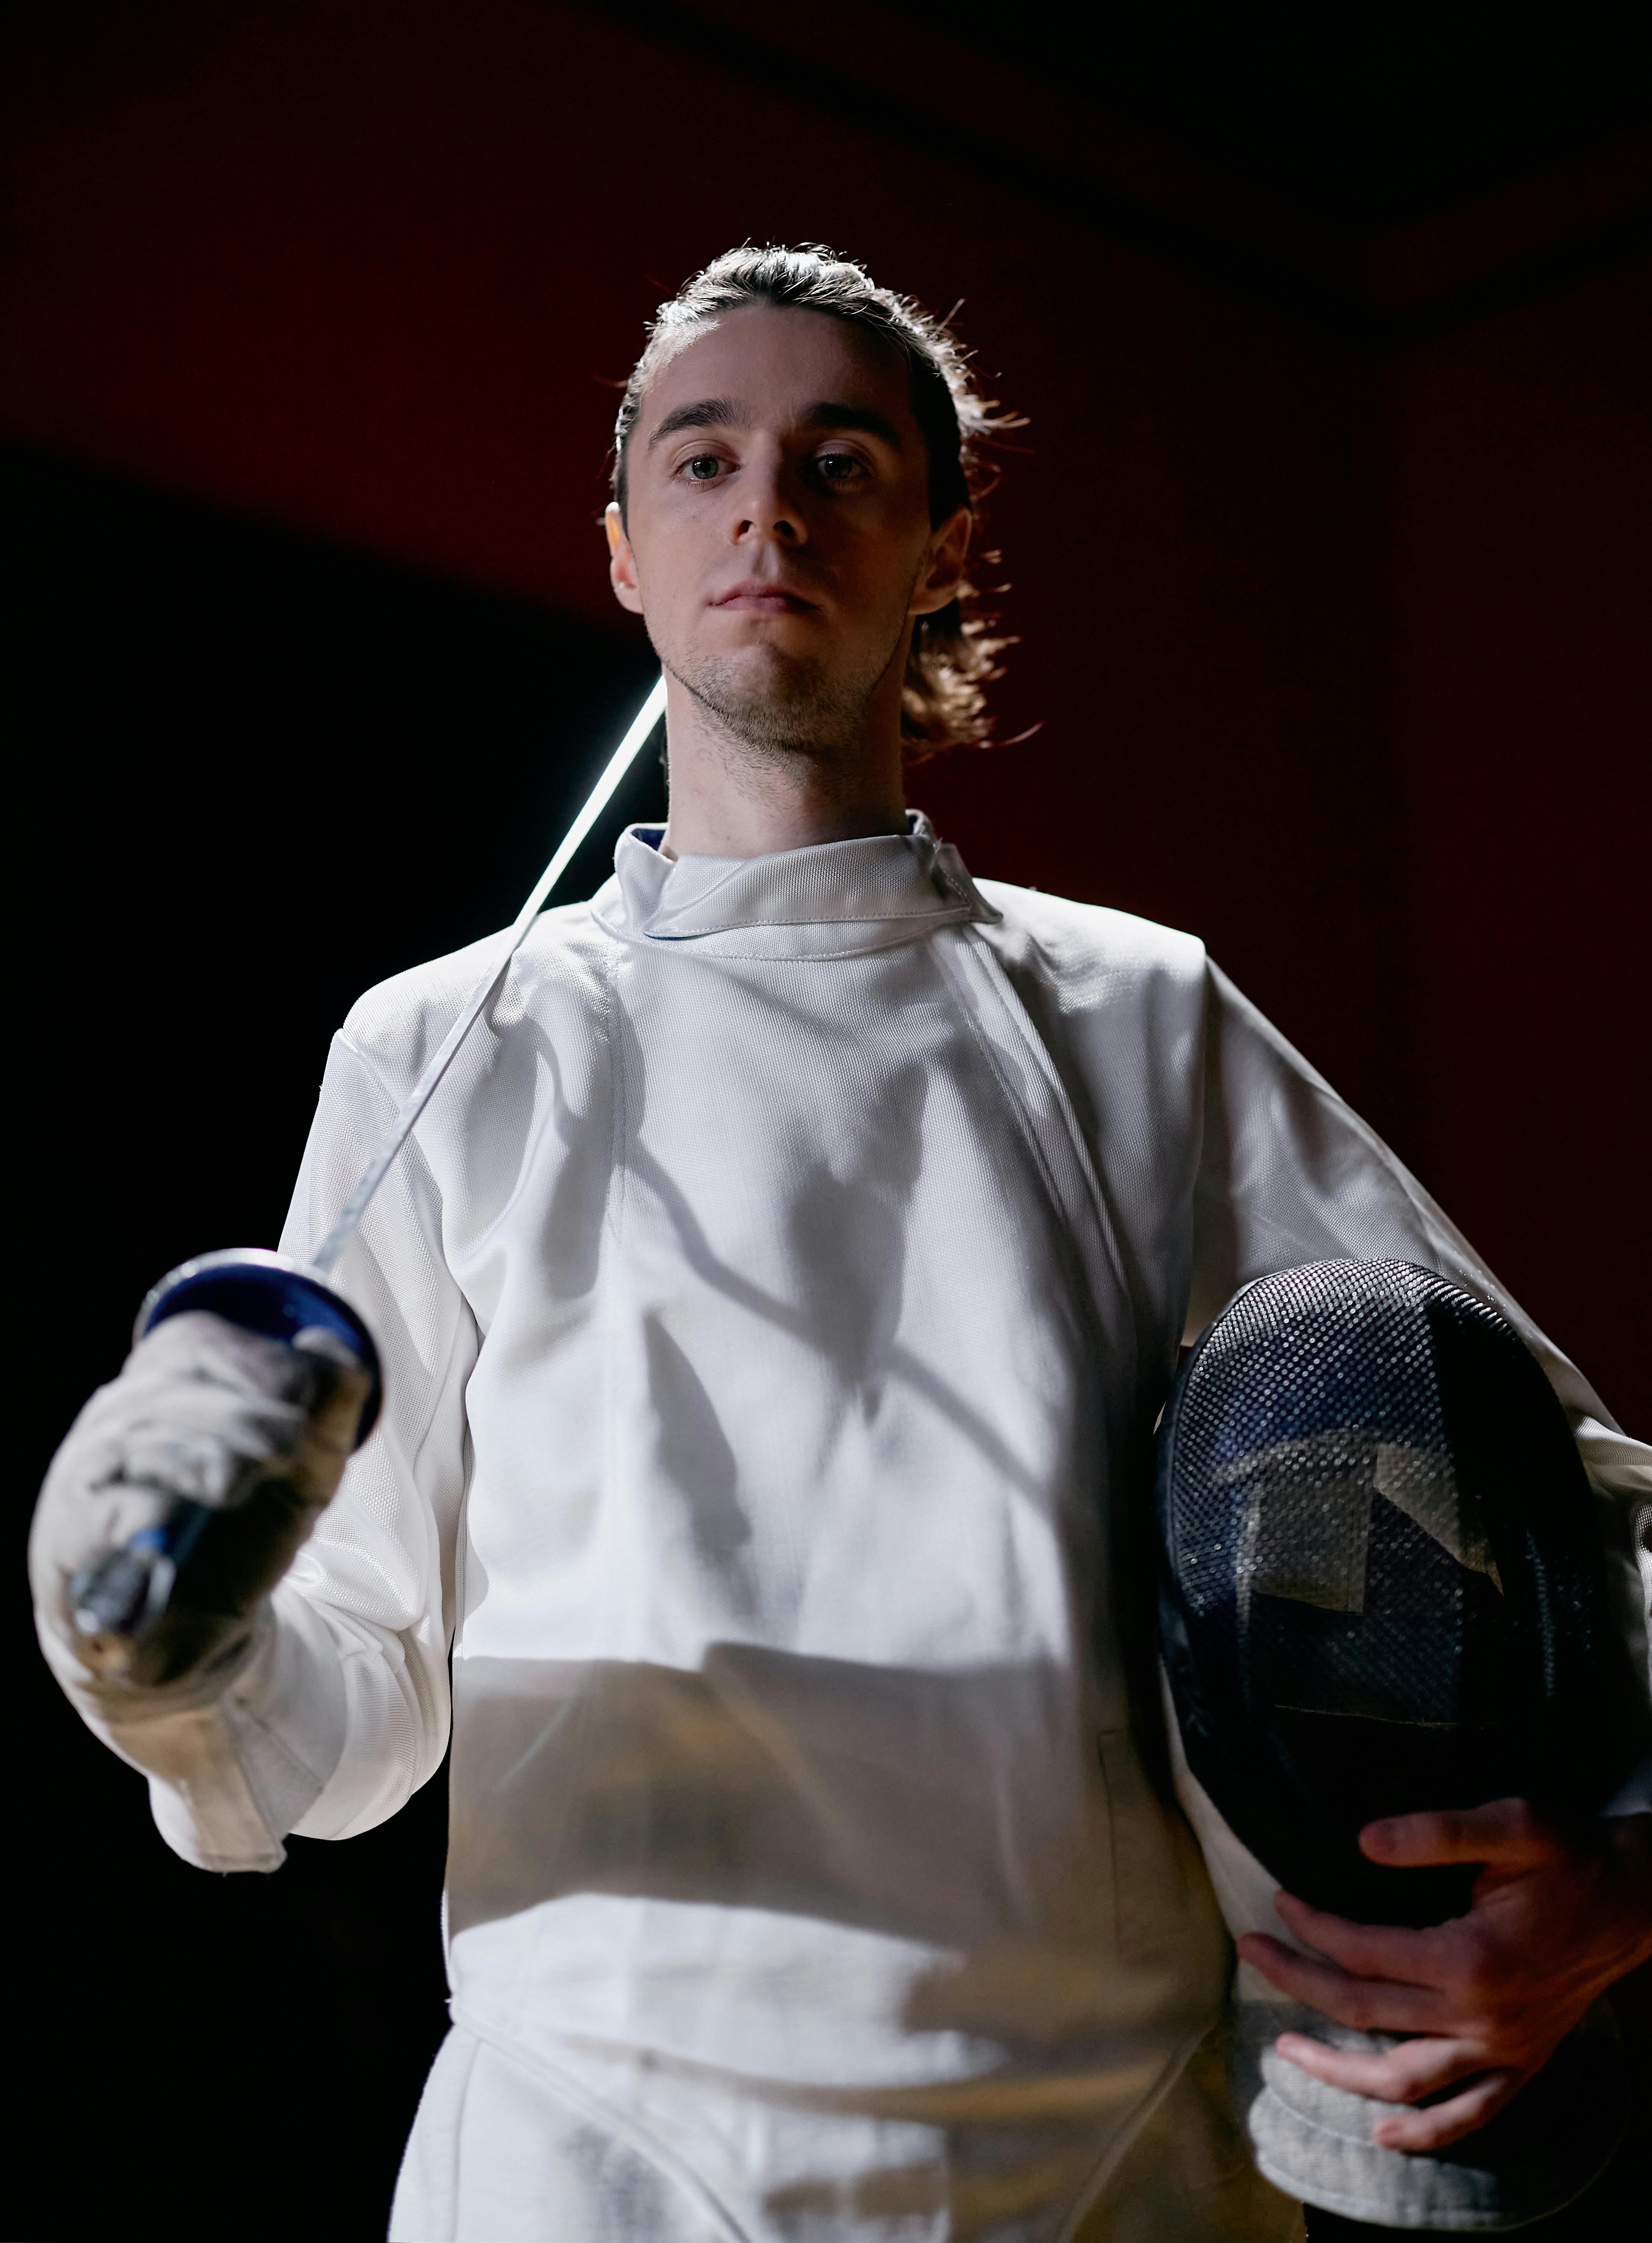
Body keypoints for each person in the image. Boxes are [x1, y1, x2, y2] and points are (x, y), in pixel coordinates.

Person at [30, 247, 1652, 2241]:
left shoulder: (1139, 1015)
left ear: (939, 546)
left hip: (1113, 2155)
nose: (765, 511)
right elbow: (346, 1706)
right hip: (592, 2158)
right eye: (700, 460)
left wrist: (1619, 1877)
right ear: (623, 548)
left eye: (841, 460)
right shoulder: (447, 1040)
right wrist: (164, 1664)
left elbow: (1566, 1505)